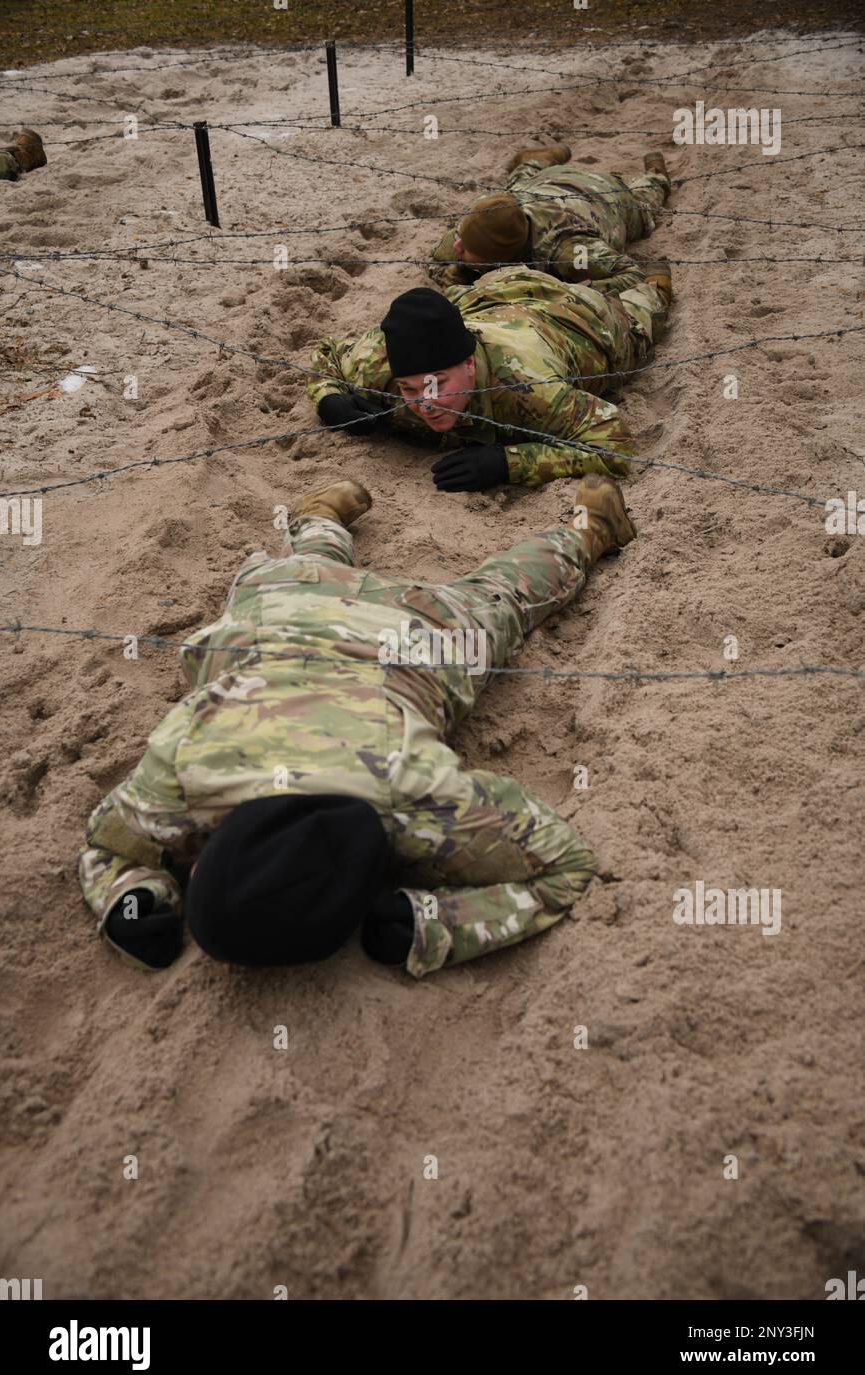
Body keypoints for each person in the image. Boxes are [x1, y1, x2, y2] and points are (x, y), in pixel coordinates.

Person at [78, 474, 636, 981]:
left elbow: (567, 868)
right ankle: (320, 514)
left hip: (414, 631)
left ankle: (592, 526)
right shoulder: (185, 775)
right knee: (317, 572)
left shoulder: (416, 793)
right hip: (283, 605)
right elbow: (108, 843)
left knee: (504, 595)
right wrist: (128, 898)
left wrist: (438, 922)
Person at [308, 256, 671, 491]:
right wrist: (330, 400)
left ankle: (652, 283)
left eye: (437, 385)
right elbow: (327, 353)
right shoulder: (376, 364)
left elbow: (615, 446)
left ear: (469, 365)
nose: (426, 403)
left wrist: (509, 463)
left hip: (576, 322)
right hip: (492, 295)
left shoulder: (527, 385)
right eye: (410, 389)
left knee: (641, 315)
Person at [428, 144, 670, 291]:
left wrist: (574, 290)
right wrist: (454, 277)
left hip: (604, 194)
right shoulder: (481, 223)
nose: (457, 245)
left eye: (467, 248)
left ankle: (655, 174)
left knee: (645, 207)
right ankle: (540, 160)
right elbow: (436, 262)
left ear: (498, 256)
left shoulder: (568, 250)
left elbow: (630, 275)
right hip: (546, 182)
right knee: (519, 183)